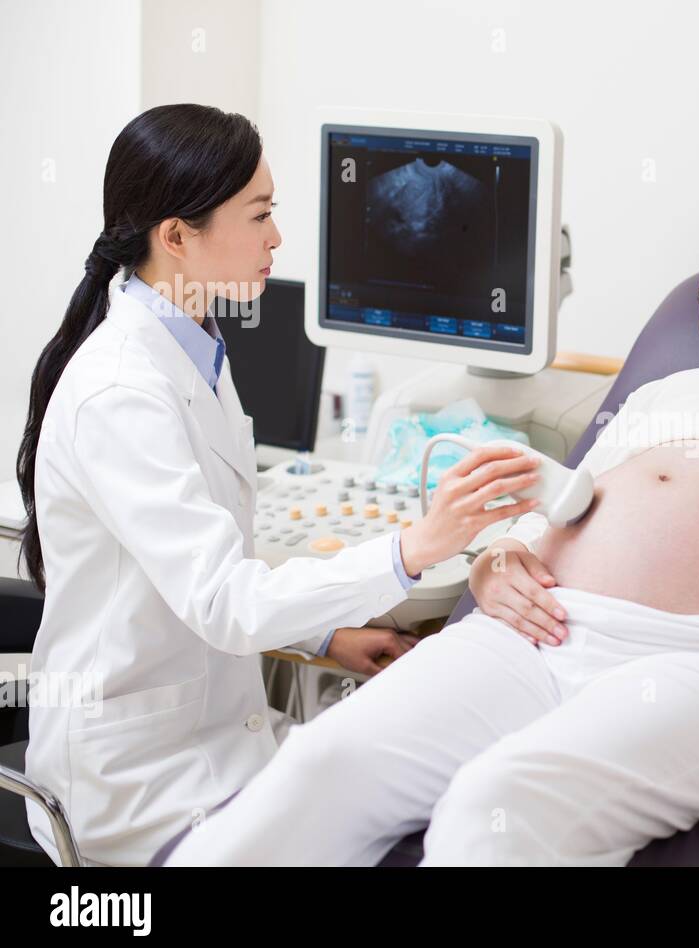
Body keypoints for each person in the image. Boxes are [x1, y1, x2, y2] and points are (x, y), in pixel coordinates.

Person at [163, 222, 699, 866]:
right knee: (318, 763)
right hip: (530, 630)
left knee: (498, 807)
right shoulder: (662, 387)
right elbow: (567, 496)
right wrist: (495, 559)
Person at [16, 104, 542, 865]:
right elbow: (225, 602)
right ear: (176, 238)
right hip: (136, 789)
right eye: (259, 215)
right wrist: (417, 545)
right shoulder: (121, 393)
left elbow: (216, 563)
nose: (277, 239)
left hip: (211, 747)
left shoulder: (195, 346)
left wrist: (328, 636)